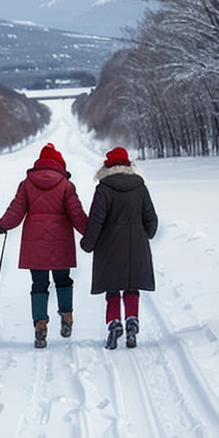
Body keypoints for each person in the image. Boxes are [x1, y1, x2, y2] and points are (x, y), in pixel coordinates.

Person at [0, 143, 88, 348]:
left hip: (34, 245)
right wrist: (92, 232)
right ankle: (67, 316)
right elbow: (77, 215)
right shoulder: (65, 185)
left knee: (39, 285)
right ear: (58, 163)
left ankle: (40, 326)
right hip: (61, 243)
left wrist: (2, 225)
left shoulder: (27, 184)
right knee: (63, 281)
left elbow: (16, 211)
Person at [80, 146, 158, 350]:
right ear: (128, 165)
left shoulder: (103, 189)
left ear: (108, 166)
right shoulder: (140, 187)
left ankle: (114, 323)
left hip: (109, 246)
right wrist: (147, 234)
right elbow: (151, 217)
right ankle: (132, 320)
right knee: (131, 286)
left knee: (112, 288)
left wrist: (87, 244)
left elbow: (96, 221)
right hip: (136, 244)